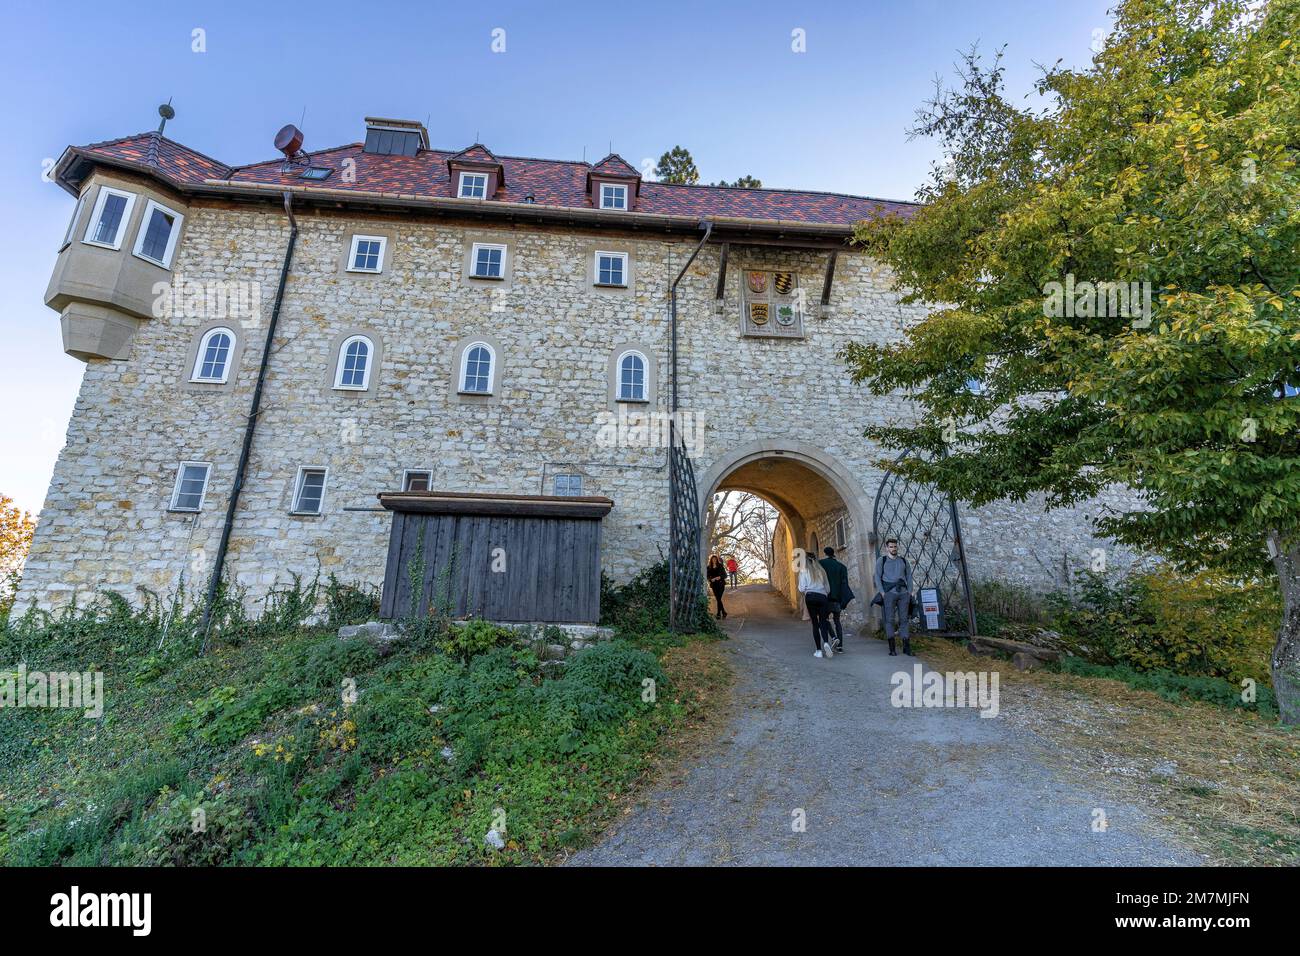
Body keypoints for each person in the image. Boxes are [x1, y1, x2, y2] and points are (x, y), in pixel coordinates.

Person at [873, 537, 913, 656]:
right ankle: (892, 649)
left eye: (895, 546)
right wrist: (882, 592)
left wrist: (910, 591)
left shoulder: (903, 561)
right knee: (889, 620)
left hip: (903, 593)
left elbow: (909, 576)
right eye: (891, 547)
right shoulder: (882, 560)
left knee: (904, 619)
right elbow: (877, 576)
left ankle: (907, 648)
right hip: (889, 593)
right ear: (886, 548)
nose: (893, 549)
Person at [795, 548, 833, 658]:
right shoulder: (822, 570)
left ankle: (818, 651)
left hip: (811, 597)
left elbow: (802, 588)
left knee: (815, 624)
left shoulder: (803, 571)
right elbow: (828, 589)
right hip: (822, 597)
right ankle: (826, 642)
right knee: (823, 621)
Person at [819, 546, 854, 653]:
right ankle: (840, 647)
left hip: (826, 597)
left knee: (823, 620)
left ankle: (834, 637)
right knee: (837, 621)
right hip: (838, 598)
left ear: (824, 553)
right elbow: (845, 584)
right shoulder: (842, 567)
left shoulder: (821, 564)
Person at [706, 554, 728, 619]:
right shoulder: (708, 567)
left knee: (718, 599)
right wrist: (710, 579)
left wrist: (720, 577)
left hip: (721, 584)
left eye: (715, 559)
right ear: (711, 560)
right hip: (714, 585)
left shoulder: (720, 566)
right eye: (713, 559)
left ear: (717, 560)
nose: (714, 560)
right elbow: (707, 576)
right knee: (718, 599)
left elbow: (725, 575)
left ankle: (719, 613)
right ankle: (723, 612)